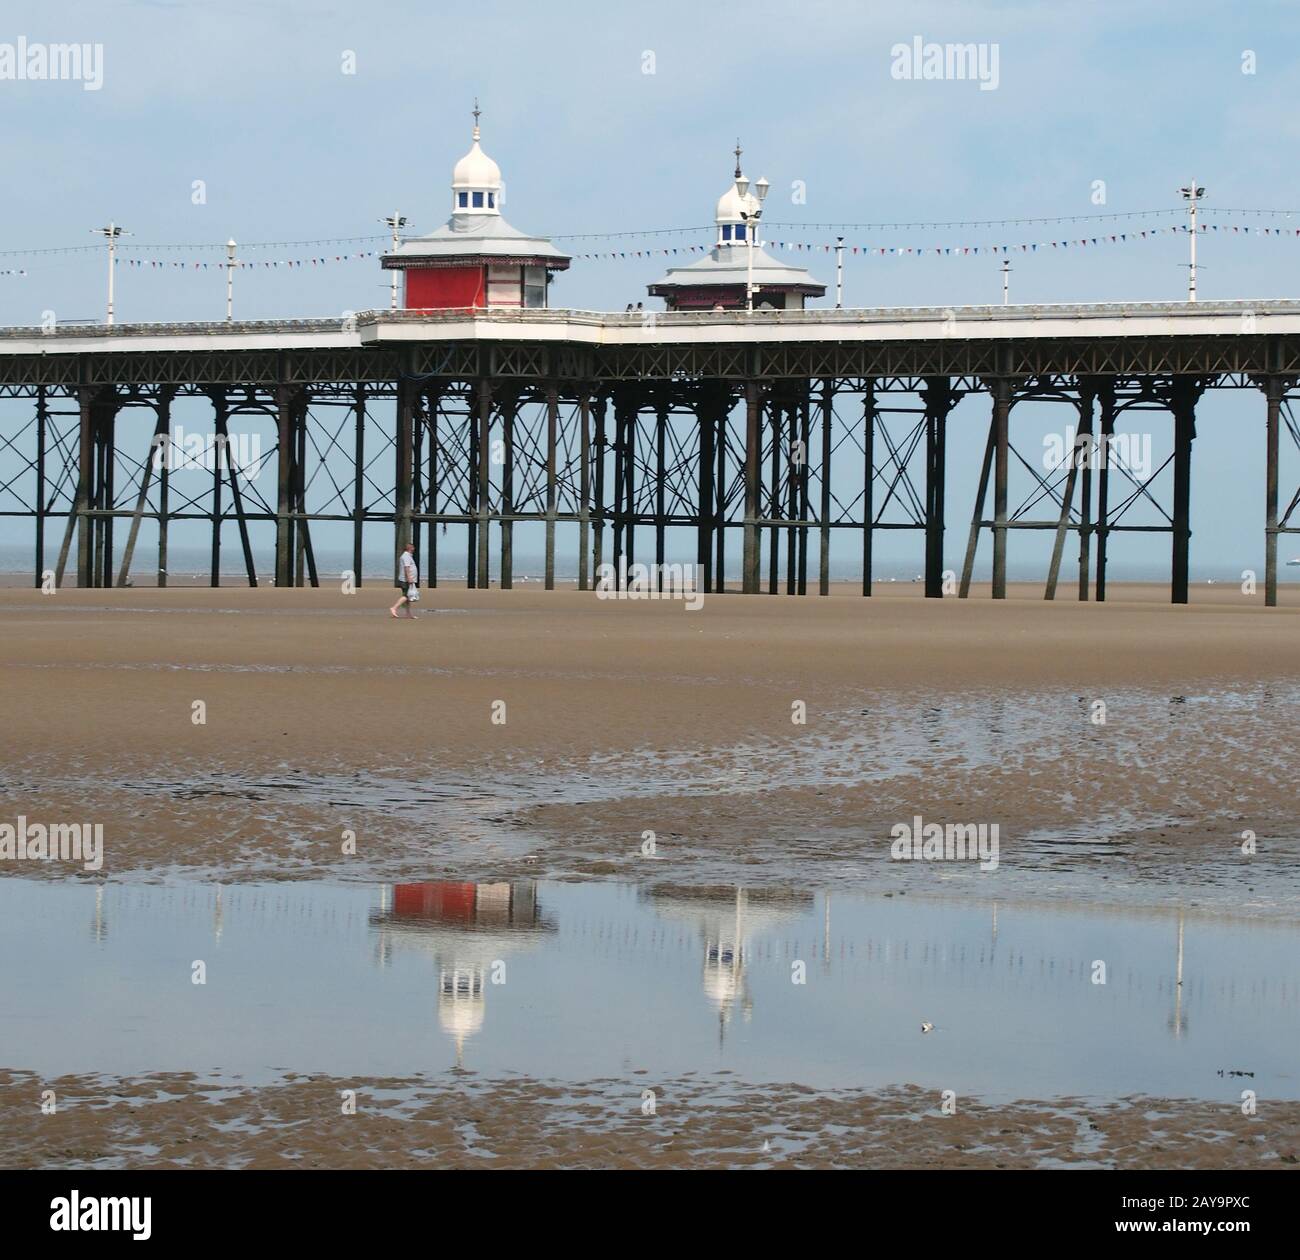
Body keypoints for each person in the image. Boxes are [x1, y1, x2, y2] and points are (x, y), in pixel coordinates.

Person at [390, 542, 419, 619]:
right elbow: (407, 567)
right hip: (405, 580)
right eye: (413, 547)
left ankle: (408, 613)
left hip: (407, 579)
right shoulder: (406, 556)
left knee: (408, 597)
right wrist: (409, 578)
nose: (414, 549)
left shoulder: (408, 556)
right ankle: (394, 608)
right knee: (406, 596)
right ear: (409, 548)